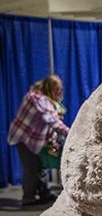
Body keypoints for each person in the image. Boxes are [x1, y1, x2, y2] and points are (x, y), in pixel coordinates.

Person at [7, 74, 70, 206]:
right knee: (32, 168)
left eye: (60, 89)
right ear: (49, 87)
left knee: (40, 166)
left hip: (37, 141)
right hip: (24, 138)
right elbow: (51, 120)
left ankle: (44, 194)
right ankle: (28, 198)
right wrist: (70, 133)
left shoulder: (49, 101)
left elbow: (52, 123)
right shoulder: (36, 98)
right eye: (56, 89)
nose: (59, 92)